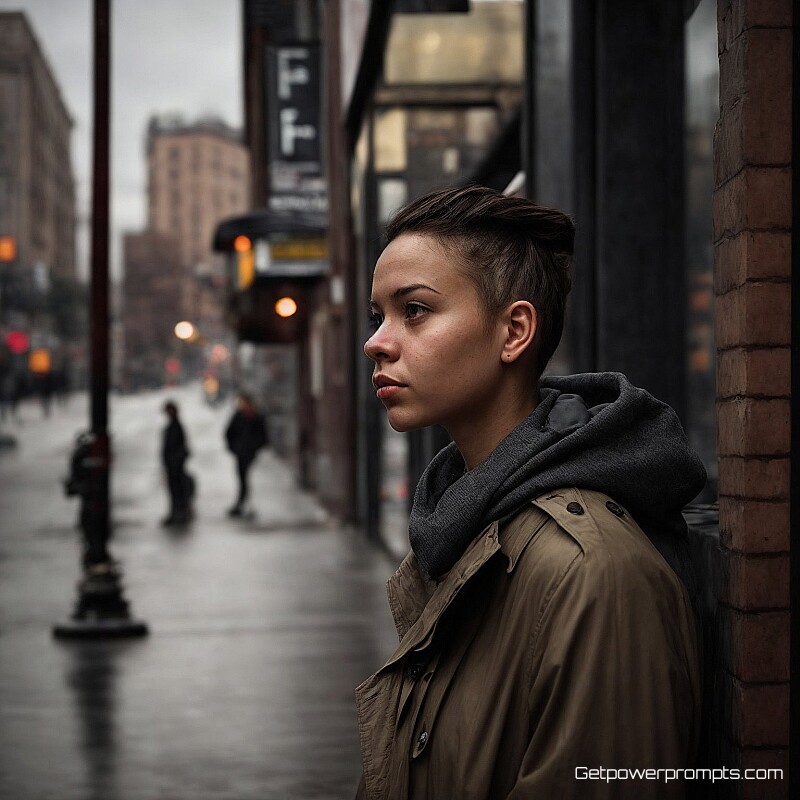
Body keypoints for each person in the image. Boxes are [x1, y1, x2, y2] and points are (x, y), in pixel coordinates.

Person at [357, 185, 705, 799]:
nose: (377, 342)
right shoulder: (462, 526)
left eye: (414, 310)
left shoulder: (593, 573)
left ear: (514, 331)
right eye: (377, 315)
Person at [224, 393, 268, 517]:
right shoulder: (238, 417)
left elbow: (263, 436)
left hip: (249, 453)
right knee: (243, 479)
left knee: (244, 478)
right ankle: (242, 504)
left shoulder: (256, 417)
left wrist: (254, 447)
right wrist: (234, 448)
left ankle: (243, 504)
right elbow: (229, 433)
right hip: (240, 453)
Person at [161, 400, 191, 526]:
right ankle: (177, 513)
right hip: (173, 465)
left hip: (175, 465)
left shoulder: (176, 427)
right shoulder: (173, 426)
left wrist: (176, 461)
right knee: (175, 491)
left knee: (177, 490)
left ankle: (179, 514)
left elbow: (180, 447)